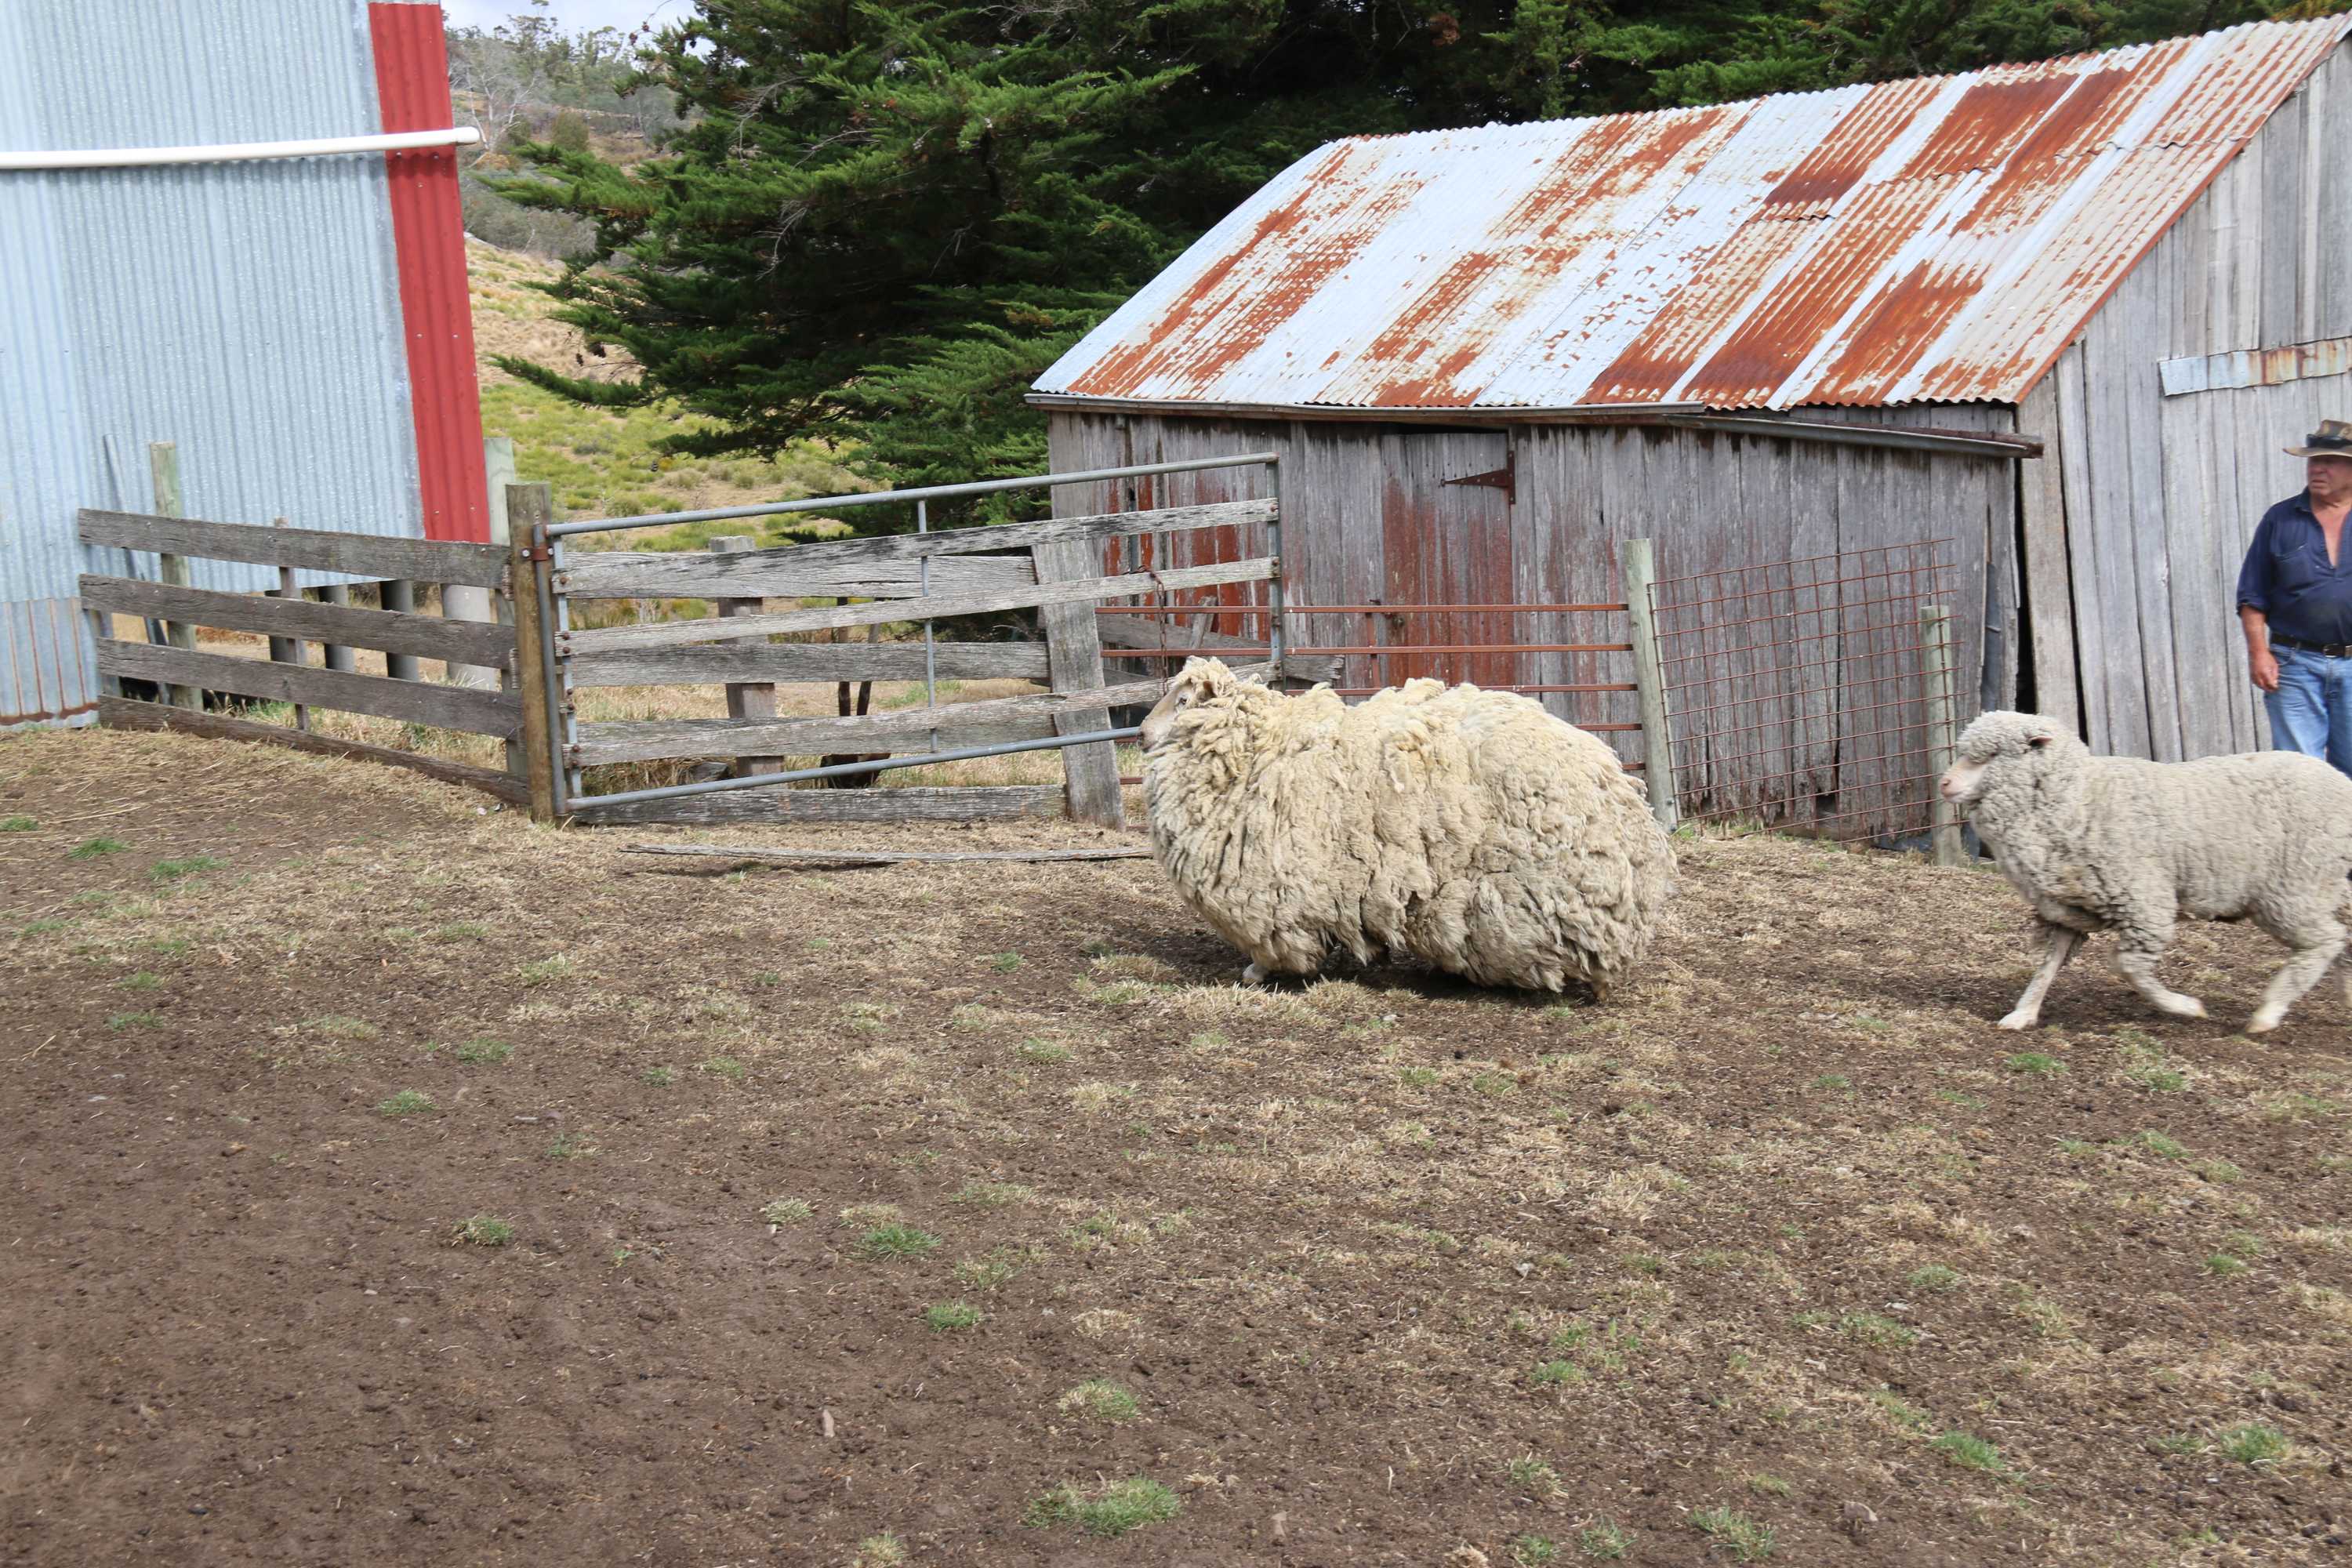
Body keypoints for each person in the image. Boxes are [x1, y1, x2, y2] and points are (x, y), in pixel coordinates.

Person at [2238, 419, 2352, 775]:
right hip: (2294, 664)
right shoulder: (2281, 519)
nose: (2318, 467)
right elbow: (2252, 595)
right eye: (2313, 460)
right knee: (2299, 776)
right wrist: (2259, 652)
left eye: (2329, 460)